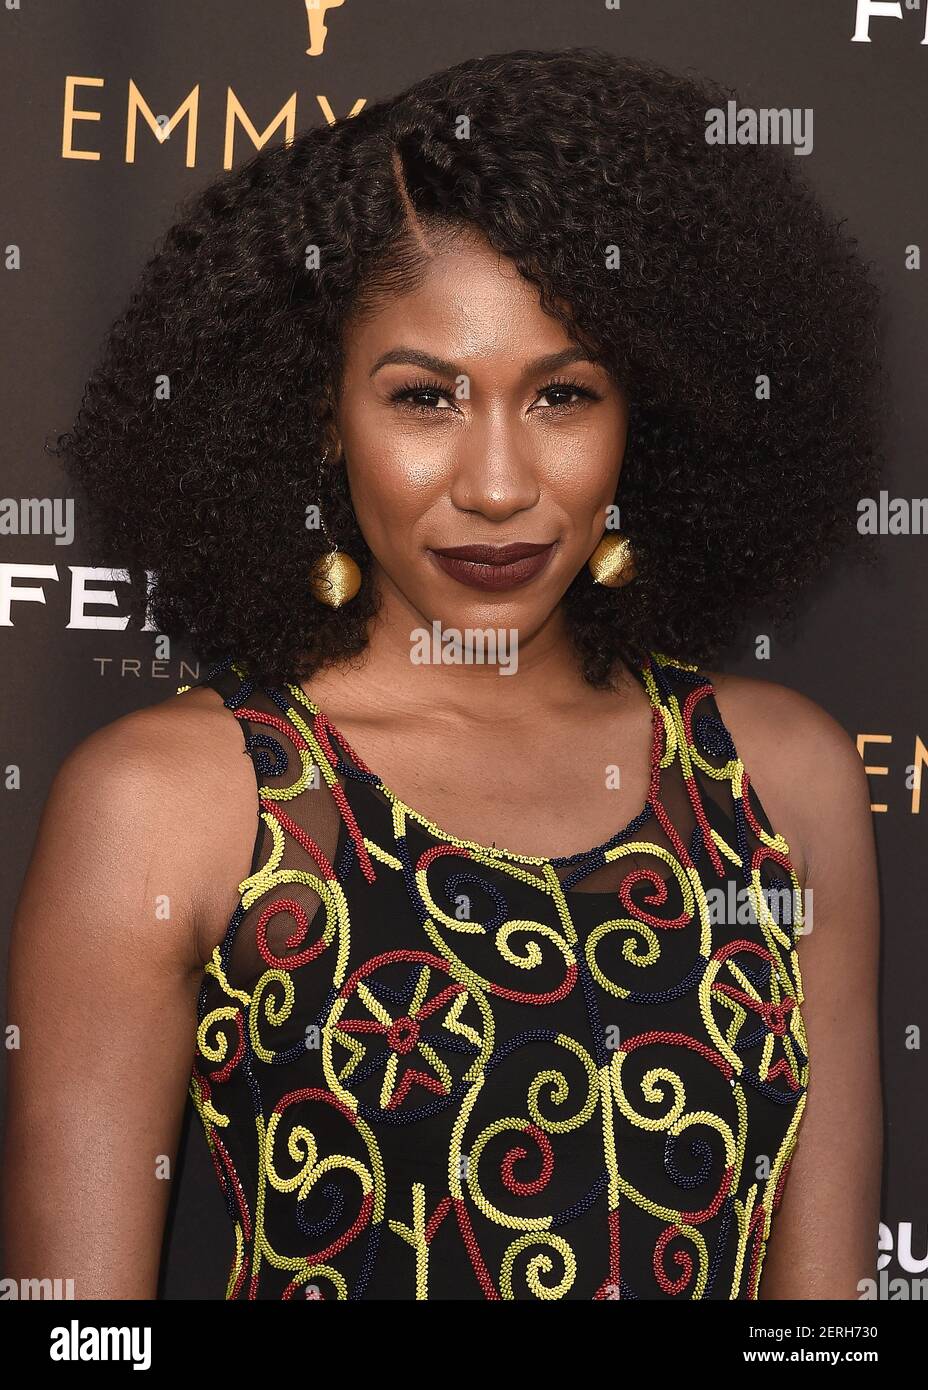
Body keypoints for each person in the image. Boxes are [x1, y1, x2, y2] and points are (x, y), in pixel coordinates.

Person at [3, 47, 883, 1300]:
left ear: (649, 408)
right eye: (425, 398)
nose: (497, 484)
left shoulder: (778, 786)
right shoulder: (175, 803)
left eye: (562, 395)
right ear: (321, 413)